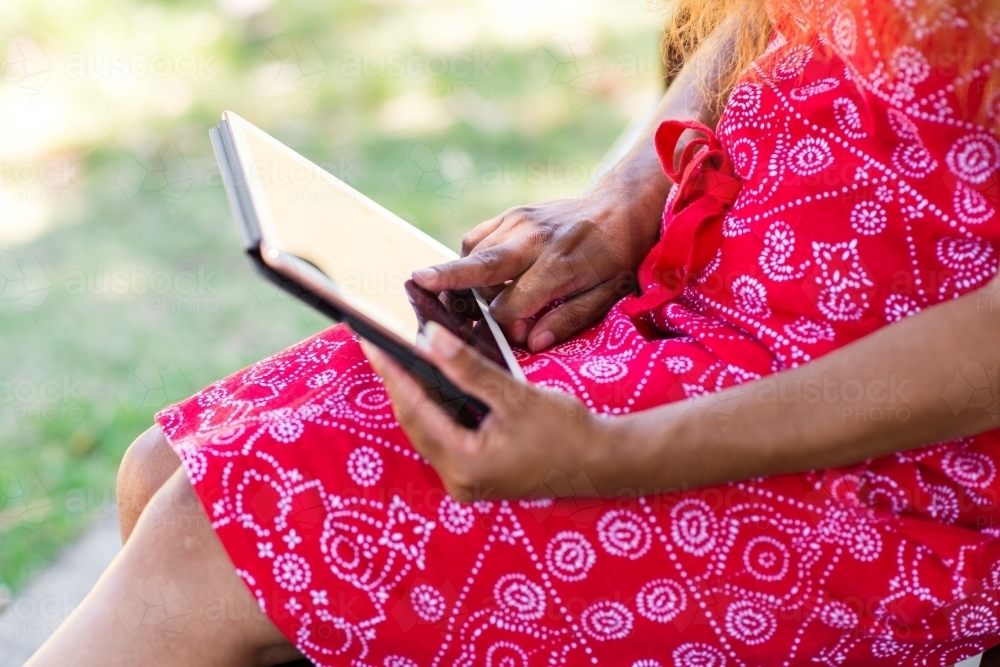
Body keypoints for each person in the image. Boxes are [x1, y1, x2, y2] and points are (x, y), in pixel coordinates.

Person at [26, 0, 1000, 664]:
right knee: (167, 469)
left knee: (216, 538)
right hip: (700, 301)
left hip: (897, 468)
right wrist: (627, 194)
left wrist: (610, 454)